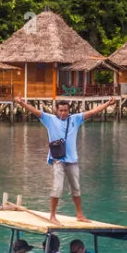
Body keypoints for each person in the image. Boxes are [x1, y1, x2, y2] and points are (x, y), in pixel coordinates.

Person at [13, 95, 118, 224]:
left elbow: (92, 112)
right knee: (57, 187)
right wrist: (22, 103)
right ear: (57, 110)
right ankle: (52, 215)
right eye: (61, 110)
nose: (63, 113)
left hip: (72, 160)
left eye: (65, 110)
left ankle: (80, 215)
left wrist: (107, 104)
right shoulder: (49, 119)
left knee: (76, 188)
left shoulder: (76, 119)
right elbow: (35, 111)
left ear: (69, 111)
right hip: (58, 160)